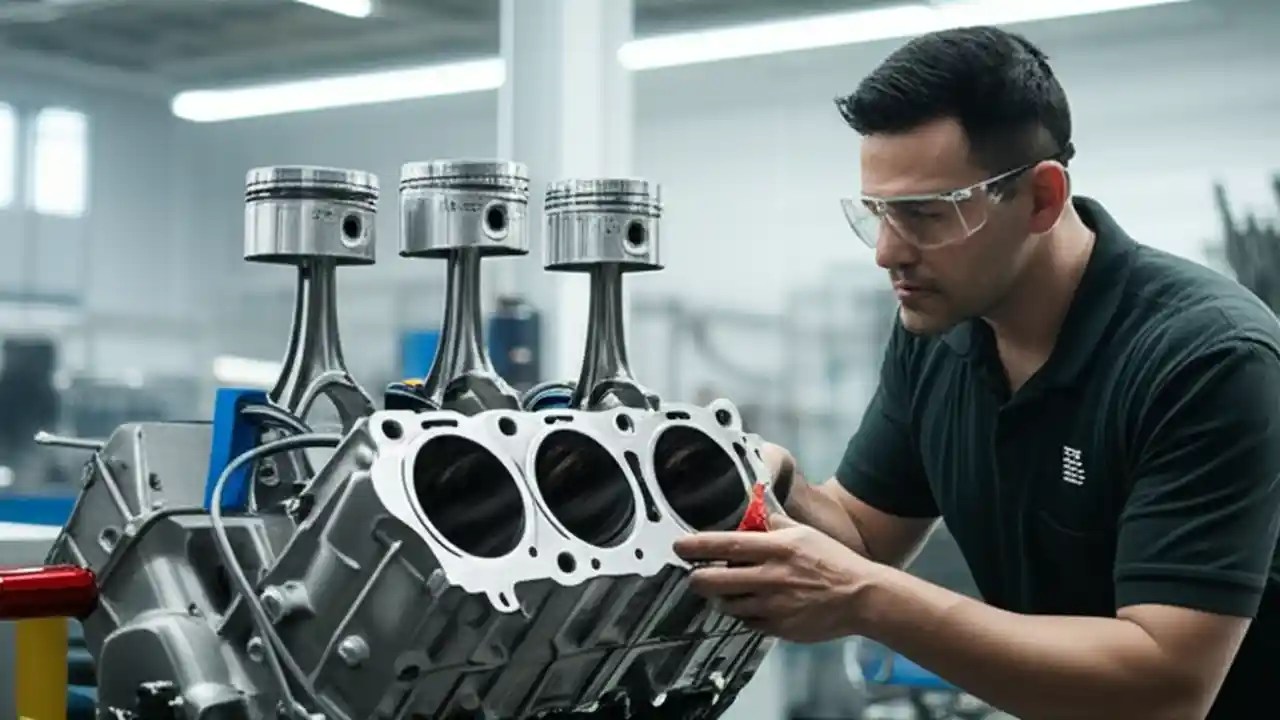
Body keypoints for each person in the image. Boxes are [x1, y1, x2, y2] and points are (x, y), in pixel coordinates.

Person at [673, 25, 1280, 720]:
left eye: (925, 216)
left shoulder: (1207, 358)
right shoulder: (939, 329)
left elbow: (1166, 689)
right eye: (877, 213)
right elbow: (864, 535)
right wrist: (780, 486)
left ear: (1043, 200)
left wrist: (864, 598)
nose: (887, 252)